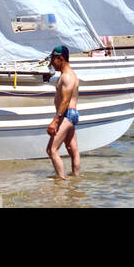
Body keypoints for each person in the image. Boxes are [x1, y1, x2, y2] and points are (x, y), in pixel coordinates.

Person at [45, 45, 82, 179]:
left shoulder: (67, 77)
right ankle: (75, 179)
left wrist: (55, 121)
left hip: (66, 115)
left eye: (53, 60)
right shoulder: (71, 75)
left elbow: (65, 101)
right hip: (72, 115)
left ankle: (61, 181)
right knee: (73, 150)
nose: (51, 63)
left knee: (51, 150)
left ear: (61, 59)